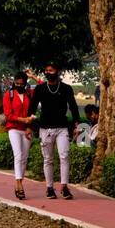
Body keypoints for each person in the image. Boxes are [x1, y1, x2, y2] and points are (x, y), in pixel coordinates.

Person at [29, 64, 81, 200]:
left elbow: (74, 107)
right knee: (48, 159)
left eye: (51, 70)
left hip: (62, 127)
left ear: (57, 71)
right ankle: (49, 188)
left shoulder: (66, 88)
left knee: (64, 156)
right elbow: (32, 107)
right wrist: (29, 124)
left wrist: (77, 124)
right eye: (46, 70)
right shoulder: (40, 89)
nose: (48, 72)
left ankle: (64, 187)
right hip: (45, 128)